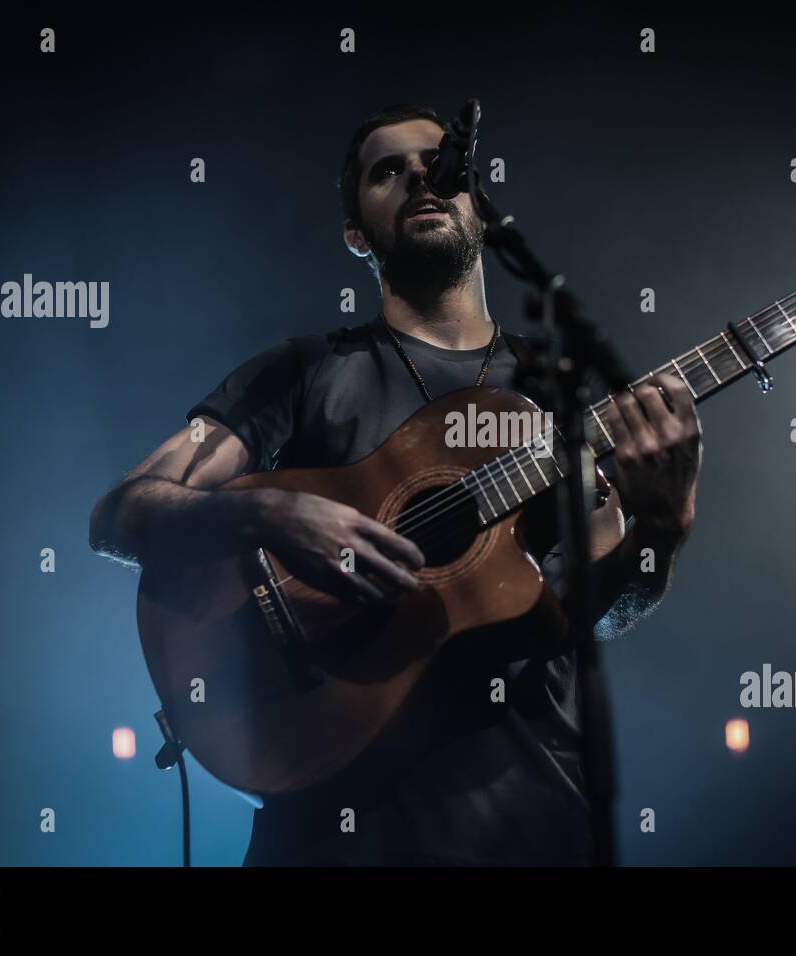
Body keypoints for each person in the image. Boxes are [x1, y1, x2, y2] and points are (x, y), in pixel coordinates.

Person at [89, 104, 702, 865]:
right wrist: (270, 514)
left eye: (441, 163)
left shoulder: (556, 396)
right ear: (356, 232)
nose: (420, 175)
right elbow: (121, 513)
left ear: (478, 203)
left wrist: (663, 529)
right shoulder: (303, 370)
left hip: (530, 824)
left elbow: (591, 614)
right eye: (389, 170)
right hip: (327, 829)